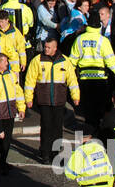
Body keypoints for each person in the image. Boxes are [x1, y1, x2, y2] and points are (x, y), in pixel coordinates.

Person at [23, 30, 79, 164]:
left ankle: (55, 153)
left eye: (48, 47)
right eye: (45, 47)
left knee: (57, 127)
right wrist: (28, 98)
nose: (46, 49)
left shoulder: (65, 61)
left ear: (55, 48)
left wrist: (75, 96)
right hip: (44, 99)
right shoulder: (37, 60)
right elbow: (29, 81)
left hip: (59, 100)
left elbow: (72, 80)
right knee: (46, 126)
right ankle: (45, 152)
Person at [68, 12, 115, 129]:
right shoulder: (103, 41)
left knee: (87, 108)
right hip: (100, 79)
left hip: (84, 79)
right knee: (99, 107)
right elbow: (110, 60)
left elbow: (72, 61)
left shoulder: (79, 39)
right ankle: (97, 130)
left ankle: (89, 130)